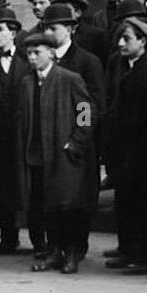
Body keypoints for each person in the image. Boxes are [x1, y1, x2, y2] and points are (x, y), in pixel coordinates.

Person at [16, 31, 95, 274]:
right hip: (37, 155)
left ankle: (71, 254)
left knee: (67, 206)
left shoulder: (69, 79)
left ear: (51, 53)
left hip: (63, 155)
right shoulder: (27, 82)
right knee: (45, 207)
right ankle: (53, 252)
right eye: (28, 53)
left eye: (37, 53)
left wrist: (75, 143)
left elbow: (86, 112)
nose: (32, 58)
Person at [104, 17, 147, 274]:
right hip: (125, 152)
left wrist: (138, 152)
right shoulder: (124, 69)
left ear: (143, 42)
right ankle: (129, 250)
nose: (121, 43)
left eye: (127, 38)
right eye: (120, 38)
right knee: (127, 204)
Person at [0, 6, 30, 254]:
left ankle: (40, 239)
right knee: (2, 189)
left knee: (29, 188)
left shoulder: (26, 62)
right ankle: (7, 238)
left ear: (13, 33)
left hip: (23, 136)